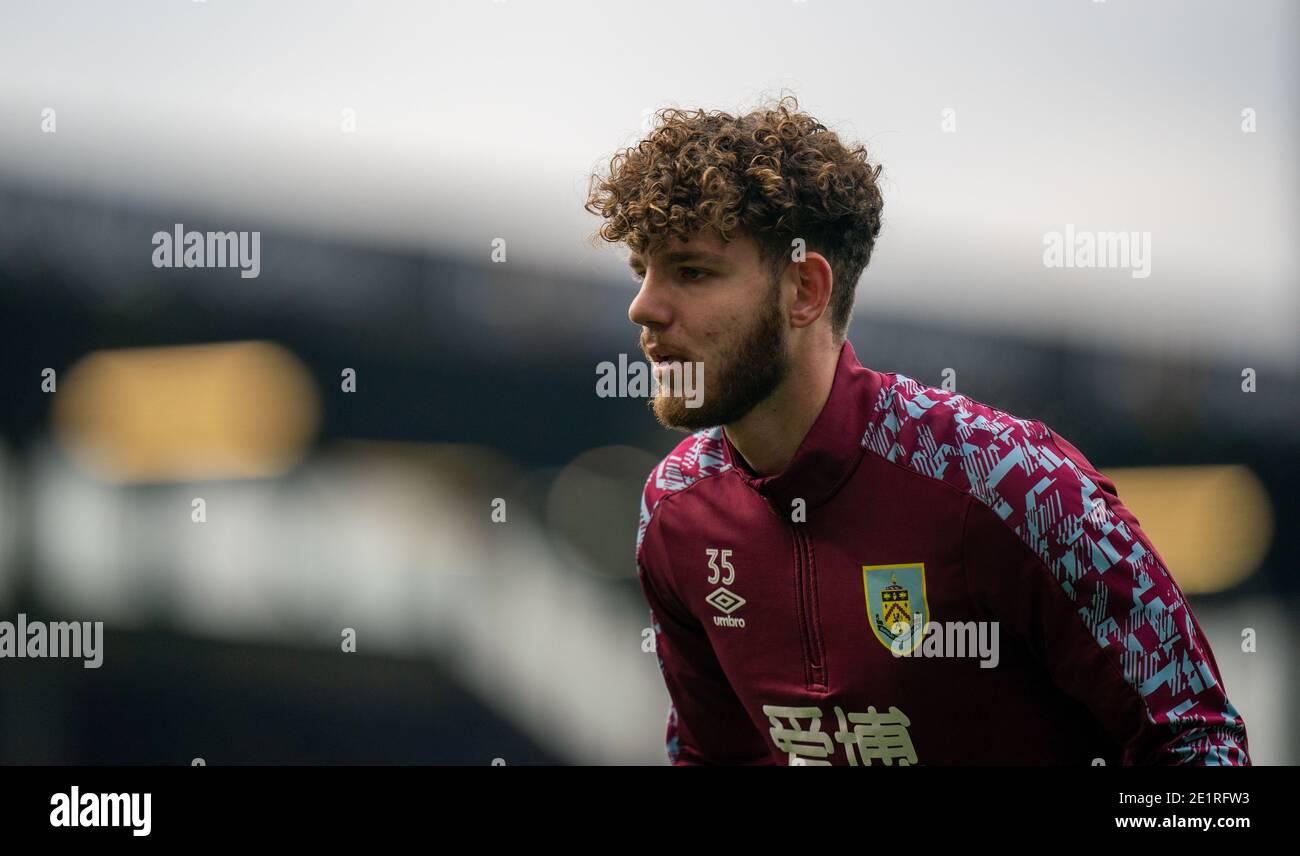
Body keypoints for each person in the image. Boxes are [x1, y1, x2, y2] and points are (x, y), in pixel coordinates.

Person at [583, 96, 1250, 765]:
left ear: (805, 291)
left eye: (691, 271)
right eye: (644, 272)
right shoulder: (675, 511)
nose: (644, 306)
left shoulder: (1010, 482)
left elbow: (1199, 748)